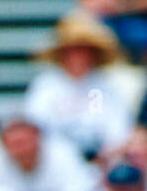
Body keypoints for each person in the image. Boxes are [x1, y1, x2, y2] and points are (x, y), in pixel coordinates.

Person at [23, 11, 134, 160]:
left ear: (93, 54)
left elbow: (118, 129)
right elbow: (34, 125)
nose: (78, 57)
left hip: (99, 159)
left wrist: (106, 152)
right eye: (73, 51)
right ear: (62, 54)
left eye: (84, 51)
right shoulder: (46, 85)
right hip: (56, 161)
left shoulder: (104, 86)